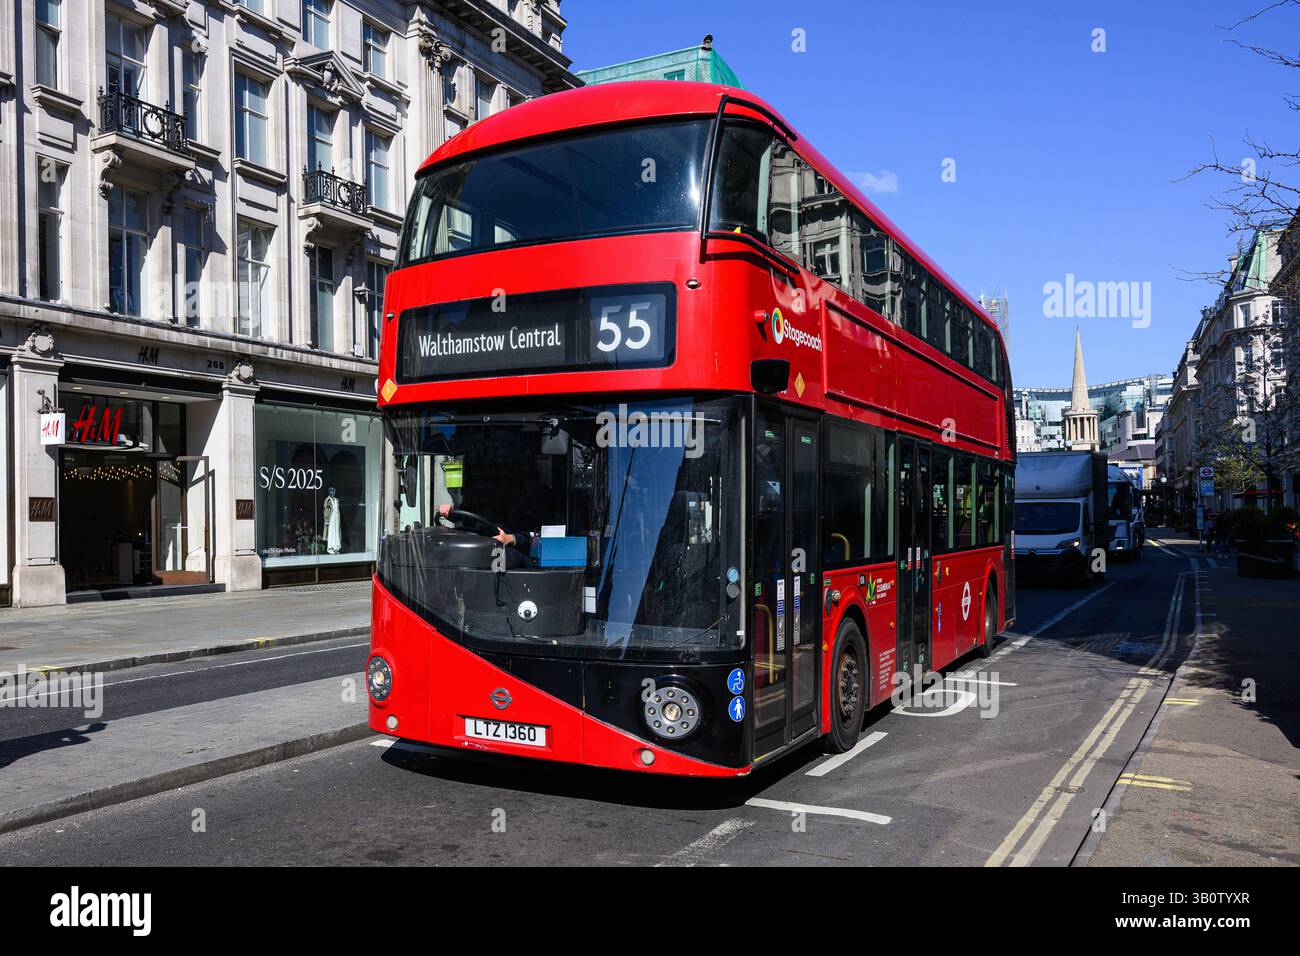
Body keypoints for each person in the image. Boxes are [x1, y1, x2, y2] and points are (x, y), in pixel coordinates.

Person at [437, 503, 535, 558]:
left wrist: (510, 538)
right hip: (474, 551)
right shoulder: (477, 502)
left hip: (506, 555)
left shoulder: (521, 508)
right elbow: (459, 514)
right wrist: (447, 509)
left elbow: (531, 537)